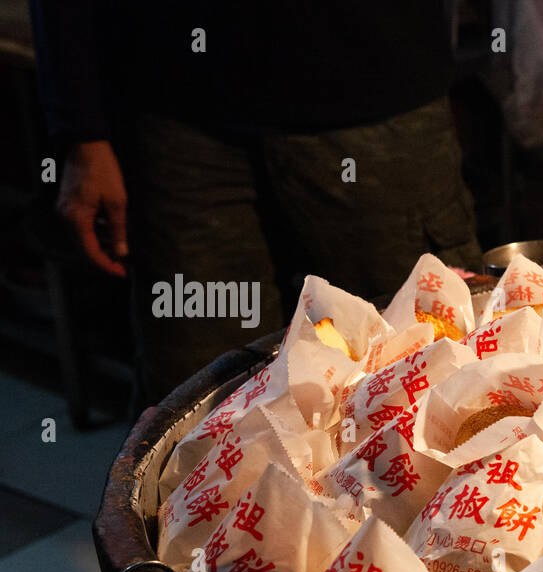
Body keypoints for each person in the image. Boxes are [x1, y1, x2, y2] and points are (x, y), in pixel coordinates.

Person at [30, 0, 482, 404]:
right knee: (203, 403)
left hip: (371, 85)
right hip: (173, 109)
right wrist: (80, 126)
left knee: (430, 379)